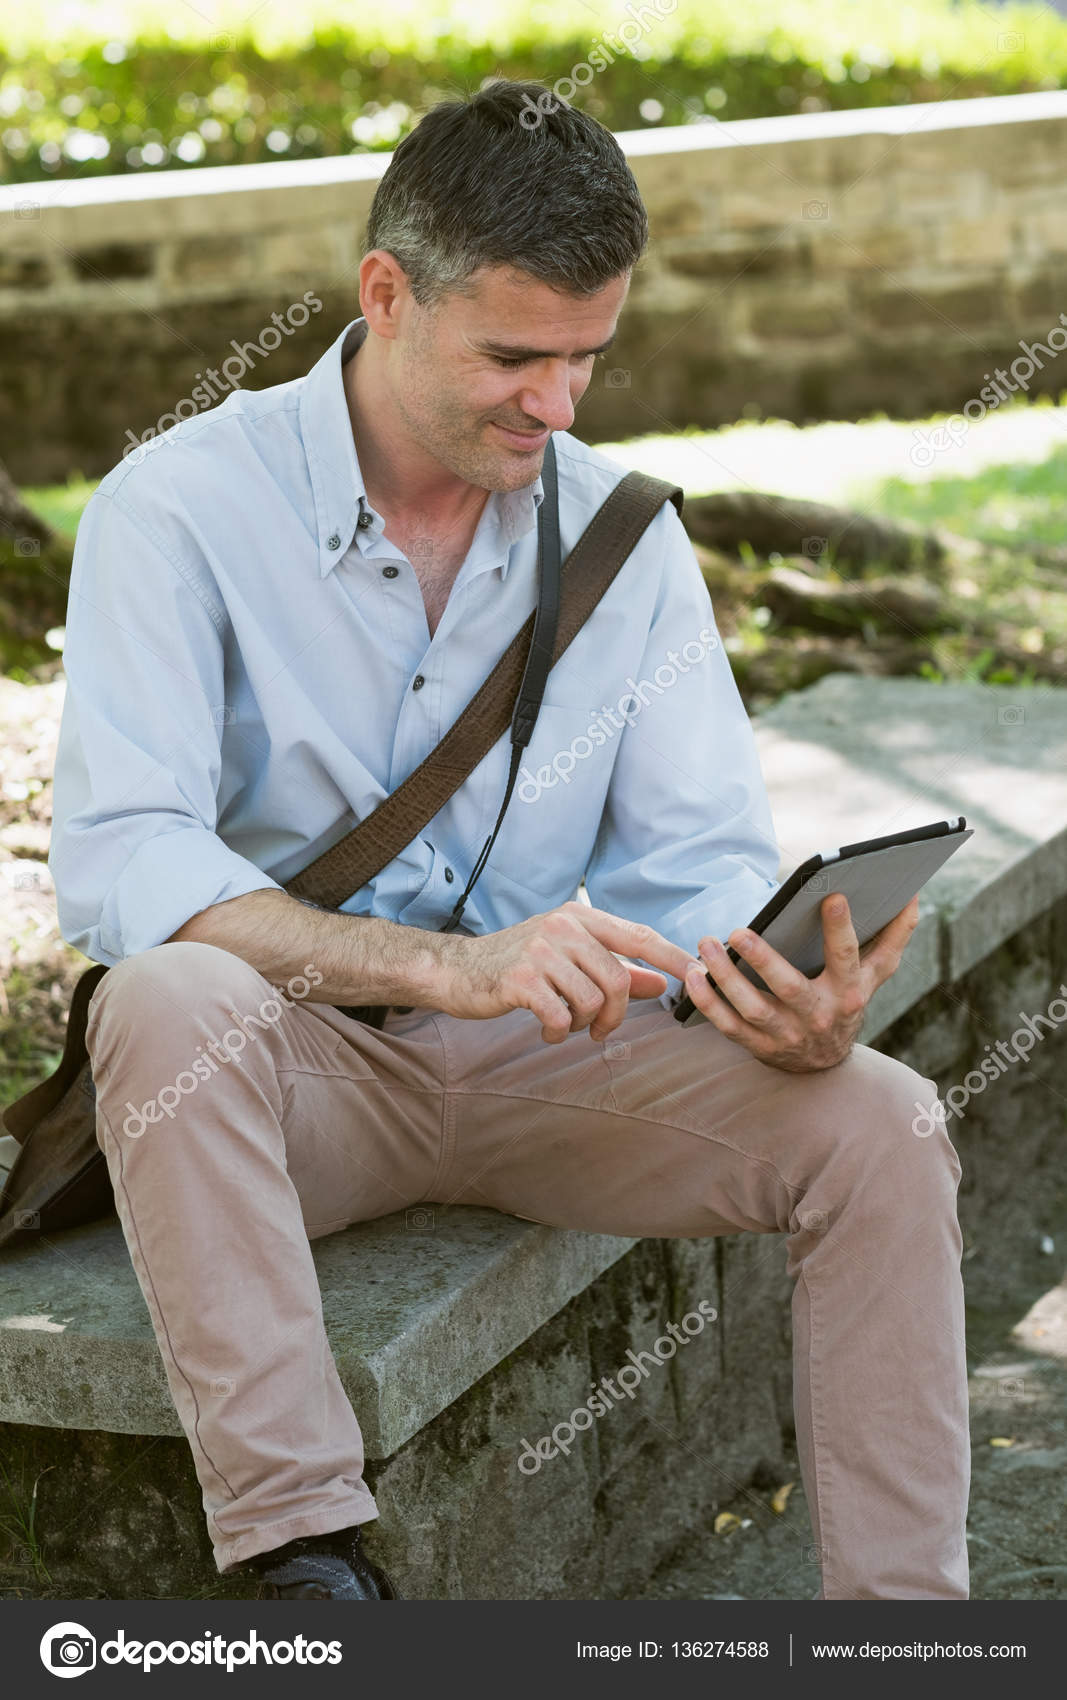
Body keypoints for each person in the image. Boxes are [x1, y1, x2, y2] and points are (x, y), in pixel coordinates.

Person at [49, 79, 968, 1603]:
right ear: (386, 295)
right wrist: (447, 970)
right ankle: (301, 1562)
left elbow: (700, 872)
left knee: (887, 1123)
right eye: (515, 359)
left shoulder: (624, 539)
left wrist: (786, 998)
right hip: (290, 1076)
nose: (559, 406)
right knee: (161, 996)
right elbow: (126, 864)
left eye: (588, 358)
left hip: (554, 1063)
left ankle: (905, 1636)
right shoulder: (176, 511)